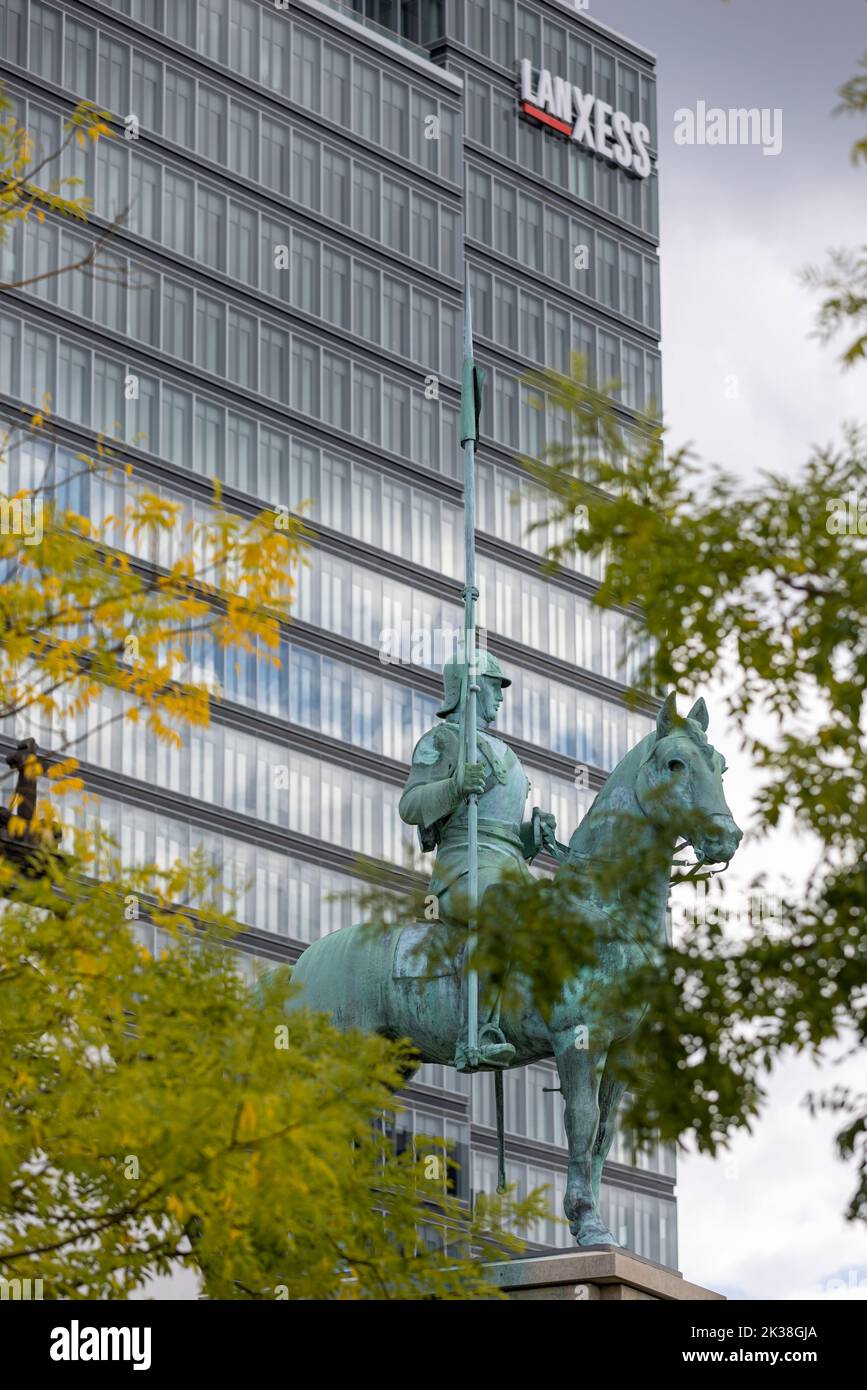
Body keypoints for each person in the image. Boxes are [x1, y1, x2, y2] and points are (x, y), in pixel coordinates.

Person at [399, 652, 558, 1069]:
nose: (500, 697)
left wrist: (532, 836)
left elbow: (504, 836)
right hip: (463, 871)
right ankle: (479, 1030)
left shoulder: (506, 752)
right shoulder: (444, 740)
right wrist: (454, 786)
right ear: (470, 687)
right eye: (493, 685)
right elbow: (411, 805)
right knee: (501, 903)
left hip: (509, 870)